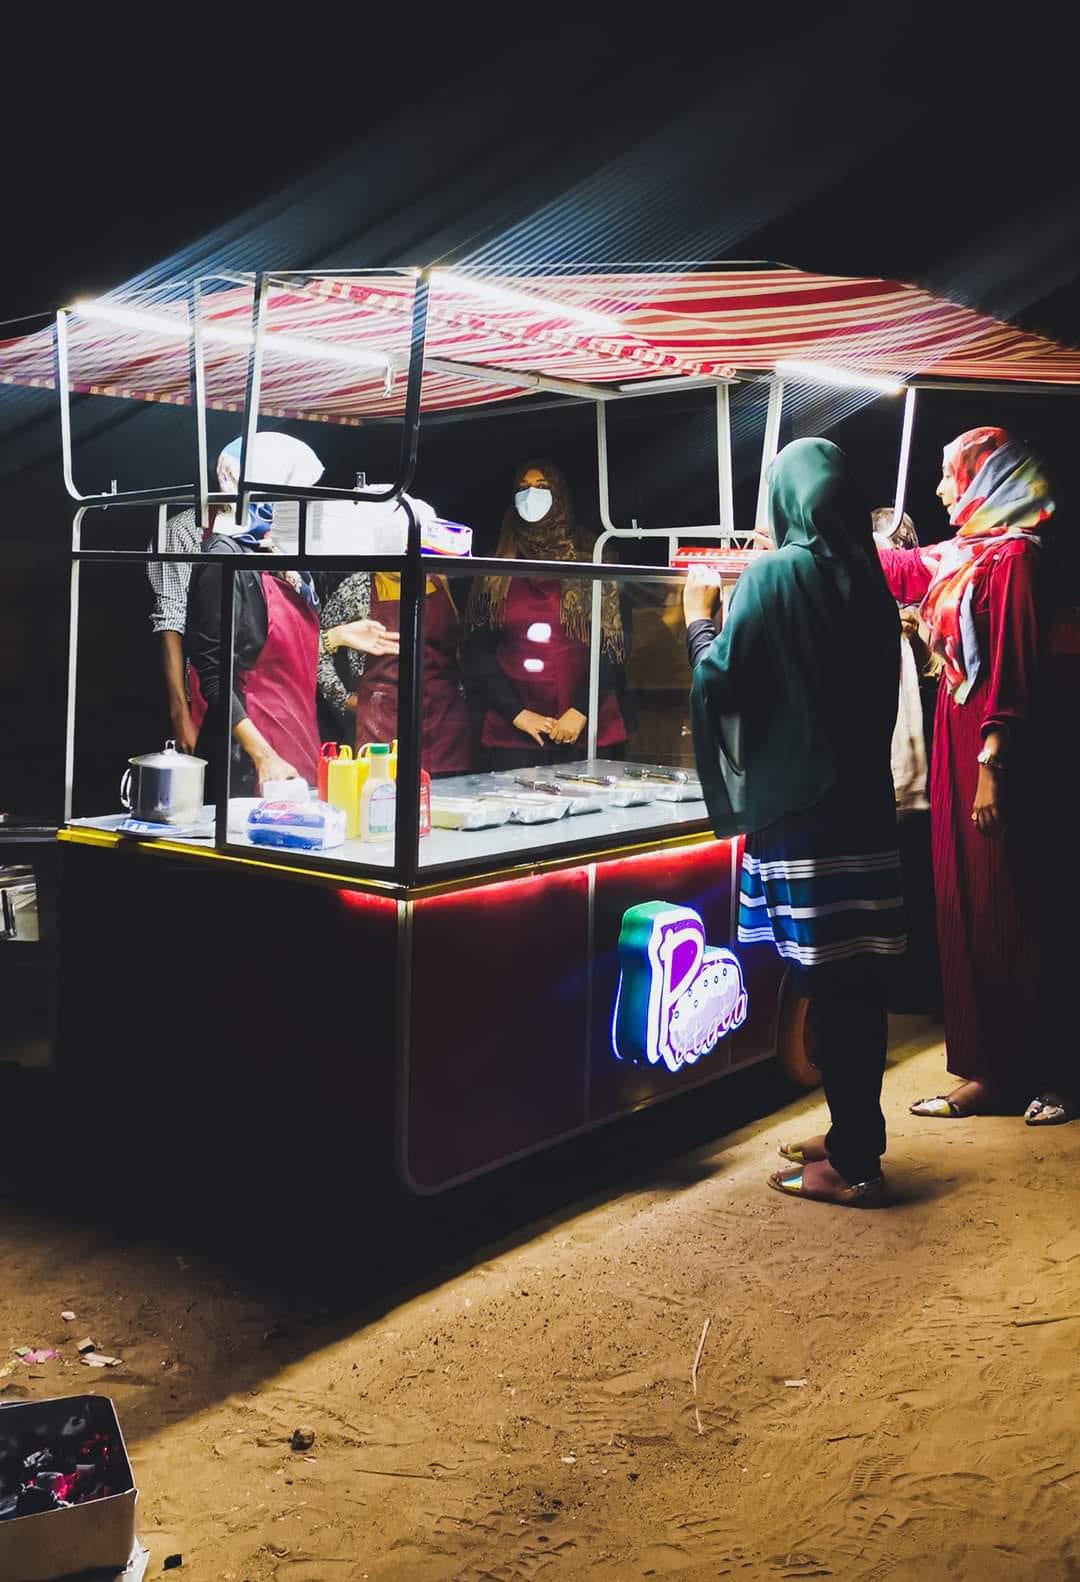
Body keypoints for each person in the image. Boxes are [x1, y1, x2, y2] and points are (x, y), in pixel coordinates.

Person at [686, 437, 902, 1207]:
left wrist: (698, 620)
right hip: (865, 814)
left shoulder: (775, 575)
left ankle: (853, 1165)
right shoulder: (869, 581)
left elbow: (721, 681)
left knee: (830, 986)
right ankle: (853, 1133)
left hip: (805, 819)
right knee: (857, 984)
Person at [878, 427, 1073, 1125]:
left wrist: (994, 763)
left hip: (999, 750)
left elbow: (1014, 667)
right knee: (964, 905)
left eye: (951, 476)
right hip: (957, 745)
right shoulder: (965, 554)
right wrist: (821, 537)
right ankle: (991, 1070)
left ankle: (1055, 1070)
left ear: (989, 480)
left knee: (1018, 907)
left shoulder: (1015, 558)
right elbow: (901, 571)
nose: (939, 490)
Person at [186, 434, 395, 798]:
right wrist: (263, 755)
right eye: (290, 492)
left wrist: (335, 637)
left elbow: (278, 655)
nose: (298, 505)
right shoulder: (224, 560)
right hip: (248, 765)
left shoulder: (277, 558)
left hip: (296, 744)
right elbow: (216, 677)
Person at [465, 460, 627, 769]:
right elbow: (477, 650)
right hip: (514, 731)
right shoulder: (498, 563)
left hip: (587, 727)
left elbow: (615, 646)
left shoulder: (594, 557)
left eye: (542, 487)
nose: (531, 495)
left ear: (560, 495)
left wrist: (581, 710)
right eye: (523, 488)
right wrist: (517, 713)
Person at [316, 501, 471, 775]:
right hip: (380, 724)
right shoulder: (358, 587)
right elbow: (317, 645)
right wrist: (344, 698)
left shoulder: (444, 580)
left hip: (444, 721)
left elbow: (468, 646)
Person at [872, 507, 941, 1013]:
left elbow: (941, 673)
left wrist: (916, 635)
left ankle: (921, 986)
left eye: (898, 548)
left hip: (921, 765)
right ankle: (893, 985)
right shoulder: (858, 604)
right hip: (881, 766)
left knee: (918, 876)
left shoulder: (930, 606)